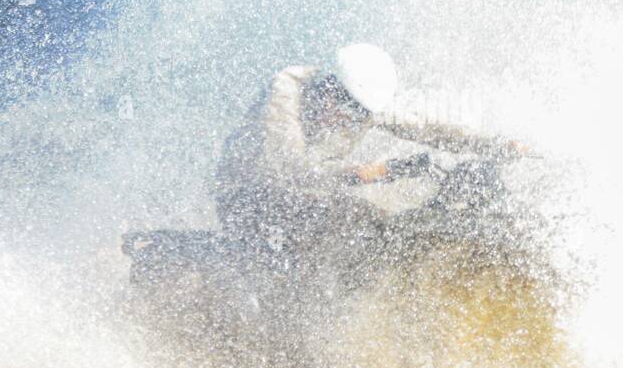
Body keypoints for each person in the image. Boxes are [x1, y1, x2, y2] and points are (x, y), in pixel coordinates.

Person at [214, 43, 518, 252]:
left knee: (377, 222)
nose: (348, 118)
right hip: (245, 196)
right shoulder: (286, 90)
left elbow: (427, 128)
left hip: (303, 196)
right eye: (345, 106)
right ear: (330, 84)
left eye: (359, 114)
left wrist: (495, 144)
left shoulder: (362, 106)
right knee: (348, 217)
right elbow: (293, 169)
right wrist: (372, 172)